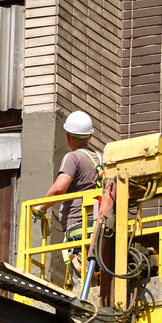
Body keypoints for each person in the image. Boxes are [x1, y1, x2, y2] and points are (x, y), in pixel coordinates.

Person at [35, 111, 103, 283]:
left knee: (82, 282)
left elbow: (59, 188)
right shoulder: (100, 159)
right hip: (98, 228)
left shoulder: (73, 157)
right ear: (90, 135)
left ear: (68, 136)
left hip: (80, 229)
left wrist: (40, 208)